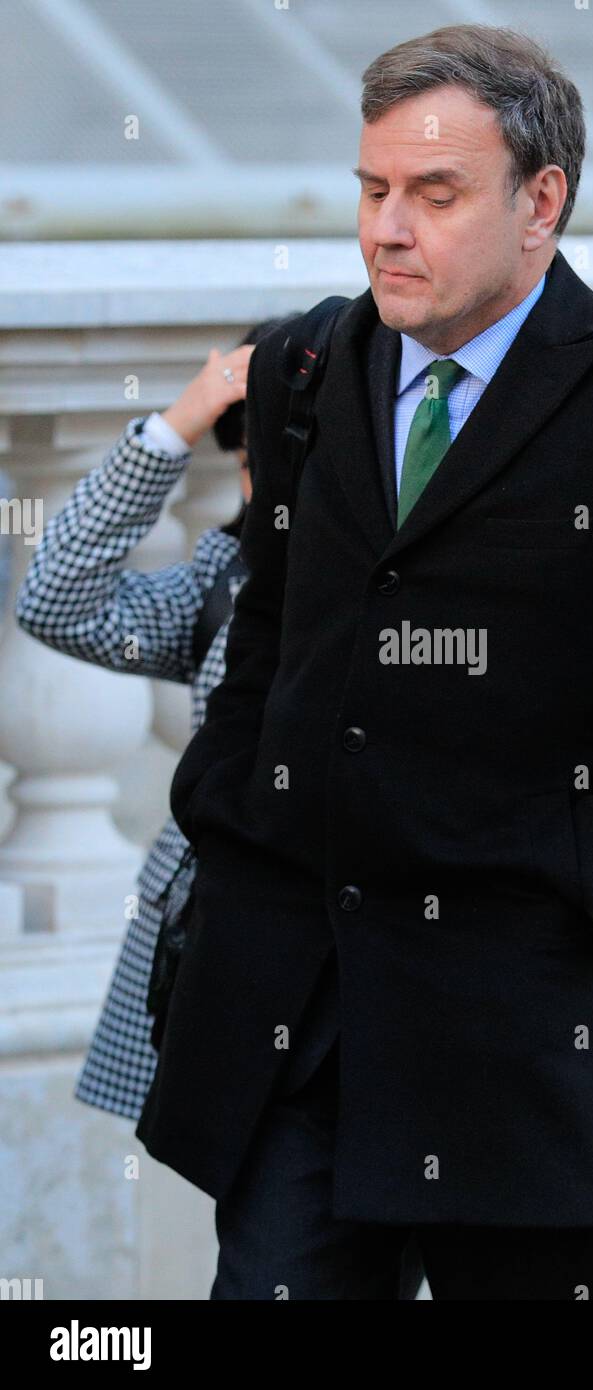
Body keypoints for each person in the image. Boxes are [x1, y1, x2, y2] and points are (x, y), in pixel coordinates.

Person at [136, 23, 593, 1301]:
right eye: (373, 190)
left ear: (540, 201)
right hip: (300, 1034)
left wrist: (563, 867)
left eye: (434, 195)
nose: (388, 228)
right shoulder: (306, 370)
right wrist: (227, 805)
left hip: (529, 1051)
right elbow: (271, 623)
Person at [14, 320, 272, 1122]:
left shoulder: (436, 595)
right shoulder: (224, 582)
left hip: (392, 992)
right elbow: (57, 599)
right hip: (233, 976)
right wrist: (174, 425)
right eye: (251, 455)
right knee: (268, 1239)